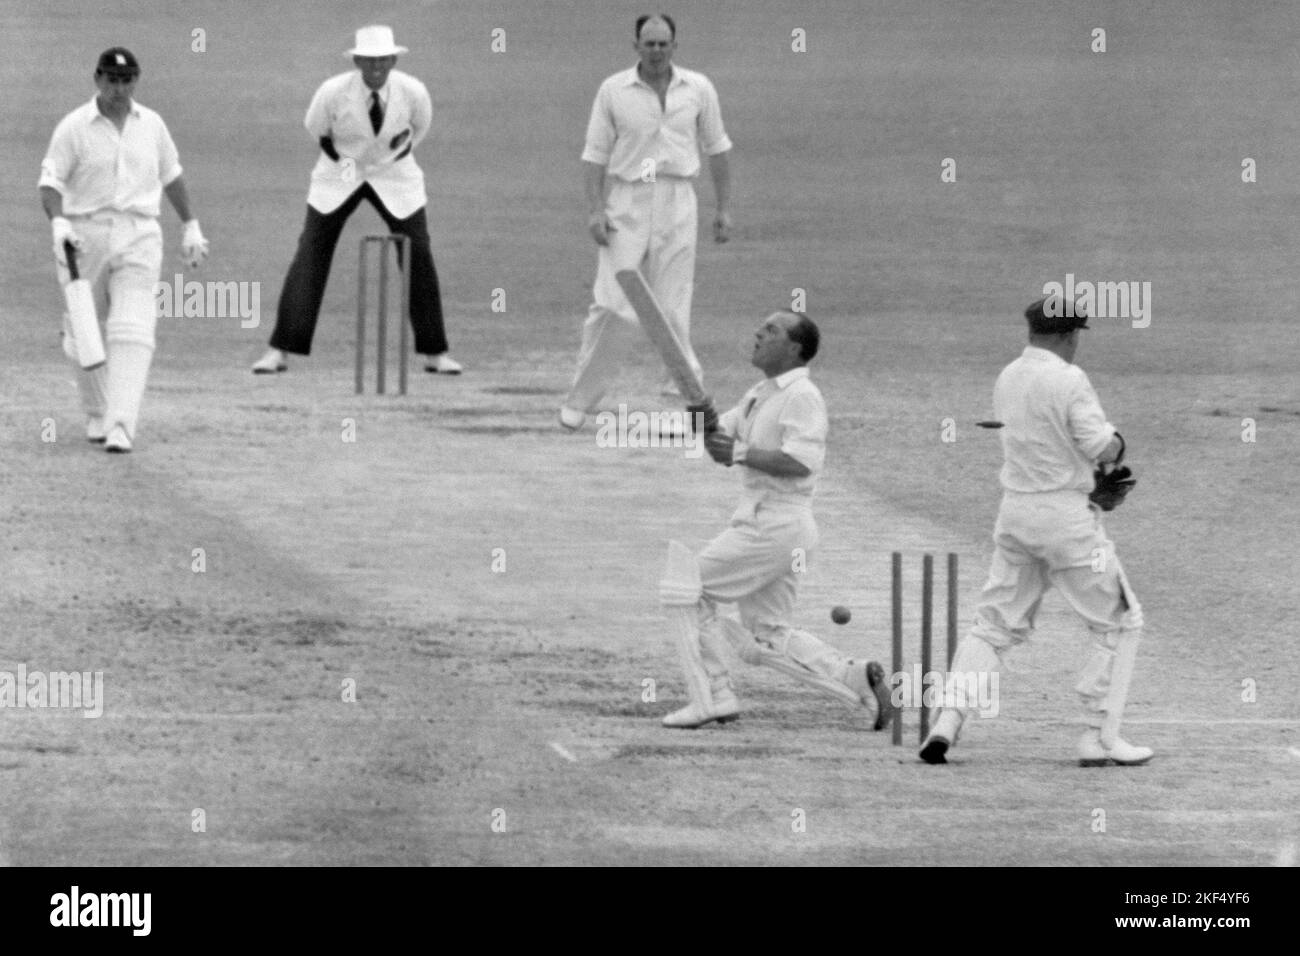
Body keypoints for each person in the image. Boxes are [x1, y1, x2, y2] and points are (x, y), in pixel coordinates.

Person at [920, 295, 1151, 767]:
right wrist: (1118, 443)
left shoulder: (1009, 375)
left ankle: (947, 721)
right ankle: (1099, 737)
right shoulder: (1069, 378)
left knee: (994, 626)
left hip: (1016, 513)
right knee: (1120, 622)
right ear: (1069, 336)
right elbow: (1099, 445)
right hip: (1066, 520)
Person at [657, 311, 891, 729]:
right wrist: (696, 407)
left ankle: (713, 695)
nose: (758, 334)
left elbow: (801, 461)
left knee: (687, 591)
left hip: (775, 525)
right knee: (765, 635)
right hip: (773, 526)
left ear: (796, 348)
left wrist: (740, 453)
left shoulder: (803, 395)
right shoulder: (760, 392)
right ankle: (854, 677)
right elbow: (716, 440)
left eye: (771, 331)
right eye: (760, 327)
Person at [252, 25, 462, 377]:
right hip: (341, 170)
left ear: (393, 59)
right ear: (358, 61)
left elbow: (419, 129)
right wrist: (353, 166)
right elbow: (317, 131)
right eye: (369, 60)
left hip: (394, 174)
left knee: (419, 252)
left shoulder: (413, 91)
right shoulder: (333, 91)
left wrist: (385, 159)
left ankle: (435, 353)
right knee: (311, 251)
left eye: (383, 60)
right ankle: (279, 350)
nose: (376, 67)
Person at [558, 14, 732, 430]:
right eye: (649, 44)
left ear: (675, 45)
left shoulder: (698, 88)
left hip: (677, 200)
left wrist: (723, 209)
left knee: (672, 305)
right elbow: (594, 154)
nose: (656, 51)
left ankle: (690, 397)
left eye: (663, 44)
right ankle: (581, 399)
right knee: (612, 305)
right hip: (628, 201)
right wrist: (595, 209)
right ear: (635, 46)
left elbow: (718, 147)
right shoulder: (613, 90)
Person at [40, 47, 209, 454]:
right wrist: (59, 221)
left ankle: (121, 425)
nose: (120, 88)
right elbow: (50, 182)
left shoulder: (151, 124)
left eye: (127, 80)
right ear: (97, 79)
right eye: (112, 80)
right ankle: (97, 411)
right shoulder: (74, 127)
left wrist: (191, 225)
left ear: (136, 81)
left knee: (133, 327)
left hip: (140, 233)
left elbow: (172, 175)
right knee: (83, 330)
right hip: (84, 234)